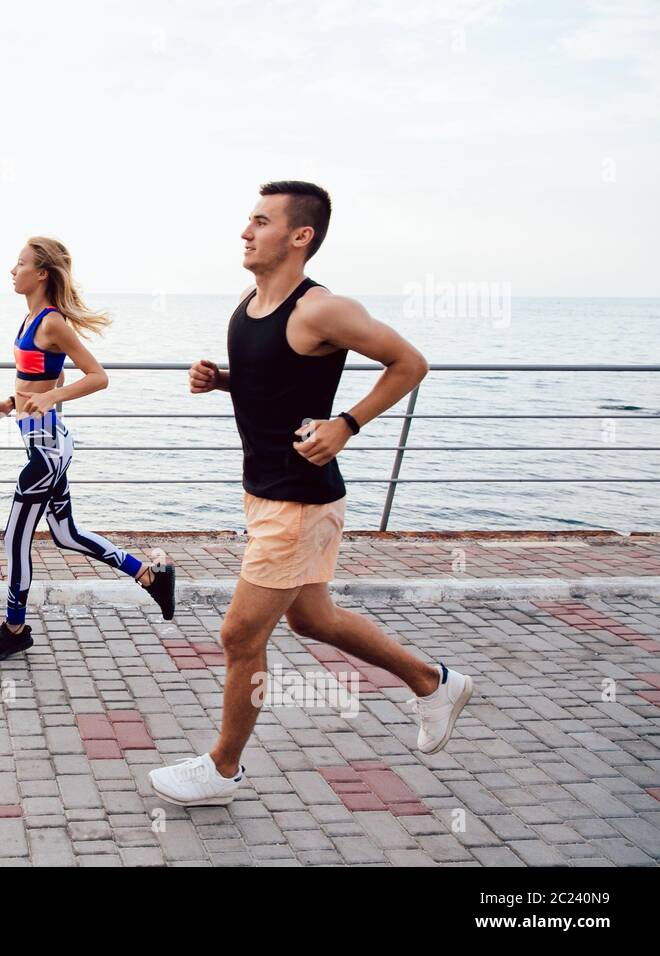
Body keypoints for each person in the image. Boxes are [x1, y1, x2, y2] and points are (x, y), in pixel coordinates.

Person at [149, 182, 473, 806]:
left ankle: (222, 770)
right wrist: (221, 380)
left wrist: (345, 425)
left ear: (301, 236)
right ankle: (434, 683)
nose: (246, 231)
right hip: (269, 494)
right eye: (248, 218)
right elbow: (271, 379)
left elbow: (409, 363)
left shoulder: (322, 308)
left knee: (240, 638)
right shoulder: (249, 303)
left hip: (298, 502)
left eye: (261, 221)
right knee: (312, 618)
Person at [0, 236, 175, 661]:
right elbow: (42, 380)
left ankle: (15, 628)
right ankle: (150, 576)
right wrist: (11, 404)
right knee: (65, 534)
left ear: (41, 273)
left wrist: (51, 400)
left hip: (47, 451)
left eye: (20, 263)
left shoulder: (51, 322)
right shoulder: (29, 320)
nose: (13, 269)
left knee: (14, 540)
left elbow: (97, 376)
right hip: (44, 442)